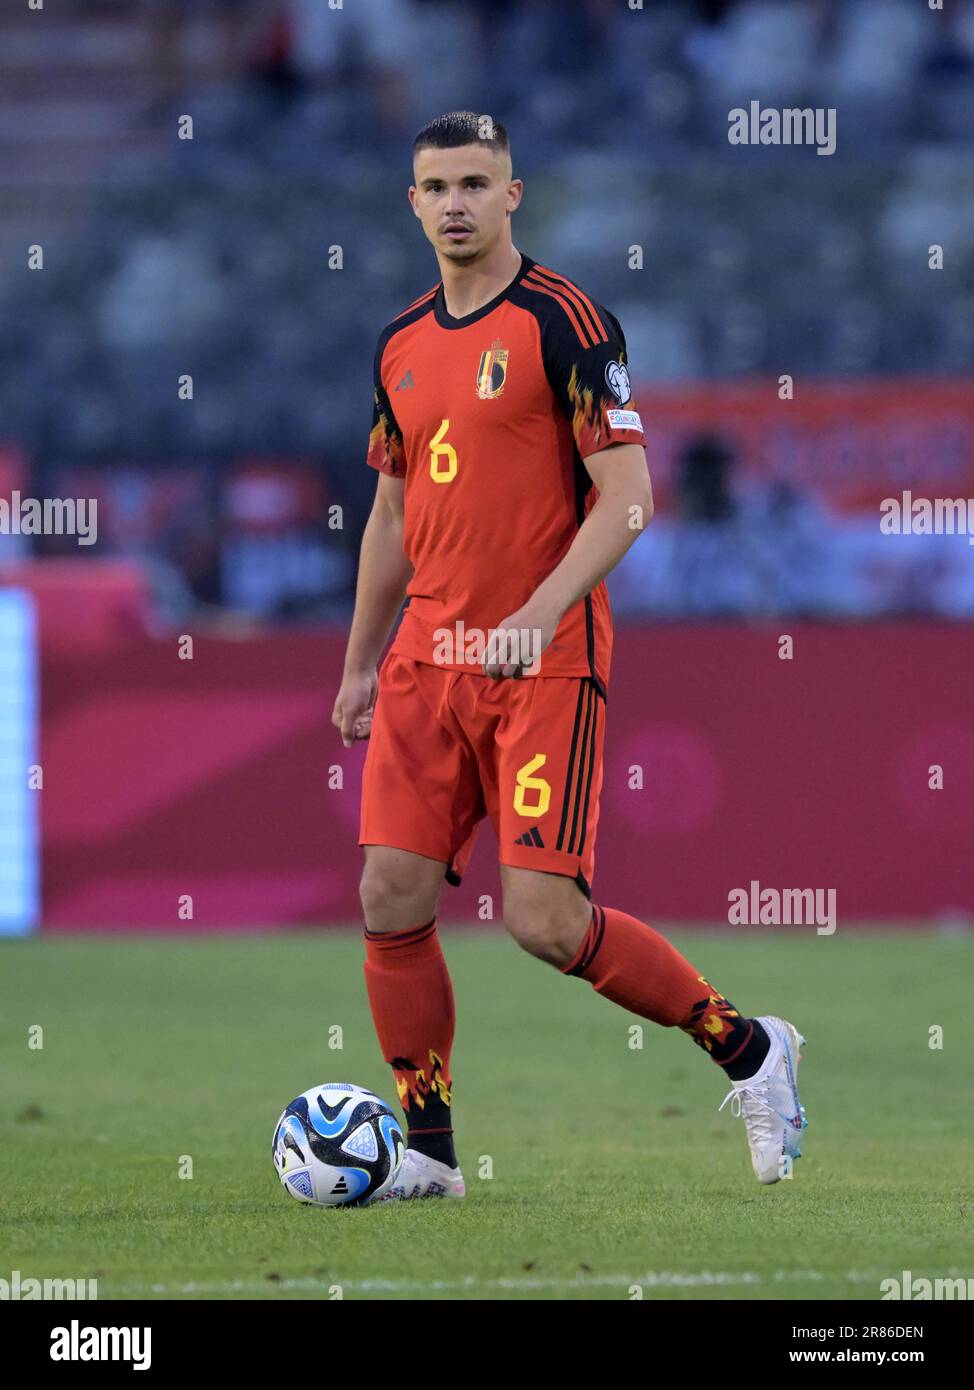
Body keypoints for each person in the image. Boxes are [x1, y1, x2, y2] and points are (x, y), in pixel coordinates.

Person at [332, 111, 806, 1199]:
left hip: (541, 662)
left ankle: (747, 1047)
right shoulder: (398, 342)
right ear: (411, 203)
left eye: (473, 183)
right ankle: (429, 1152)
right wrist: (361, 661)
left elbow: (629, 499)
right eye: (433, 185)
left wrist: (541, 611)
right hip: (423, 664)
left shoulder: (567, 322)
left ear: (512, 195)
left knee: (543, 922)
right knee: (387, 896)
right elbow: (390, 511)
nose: (453, 202)